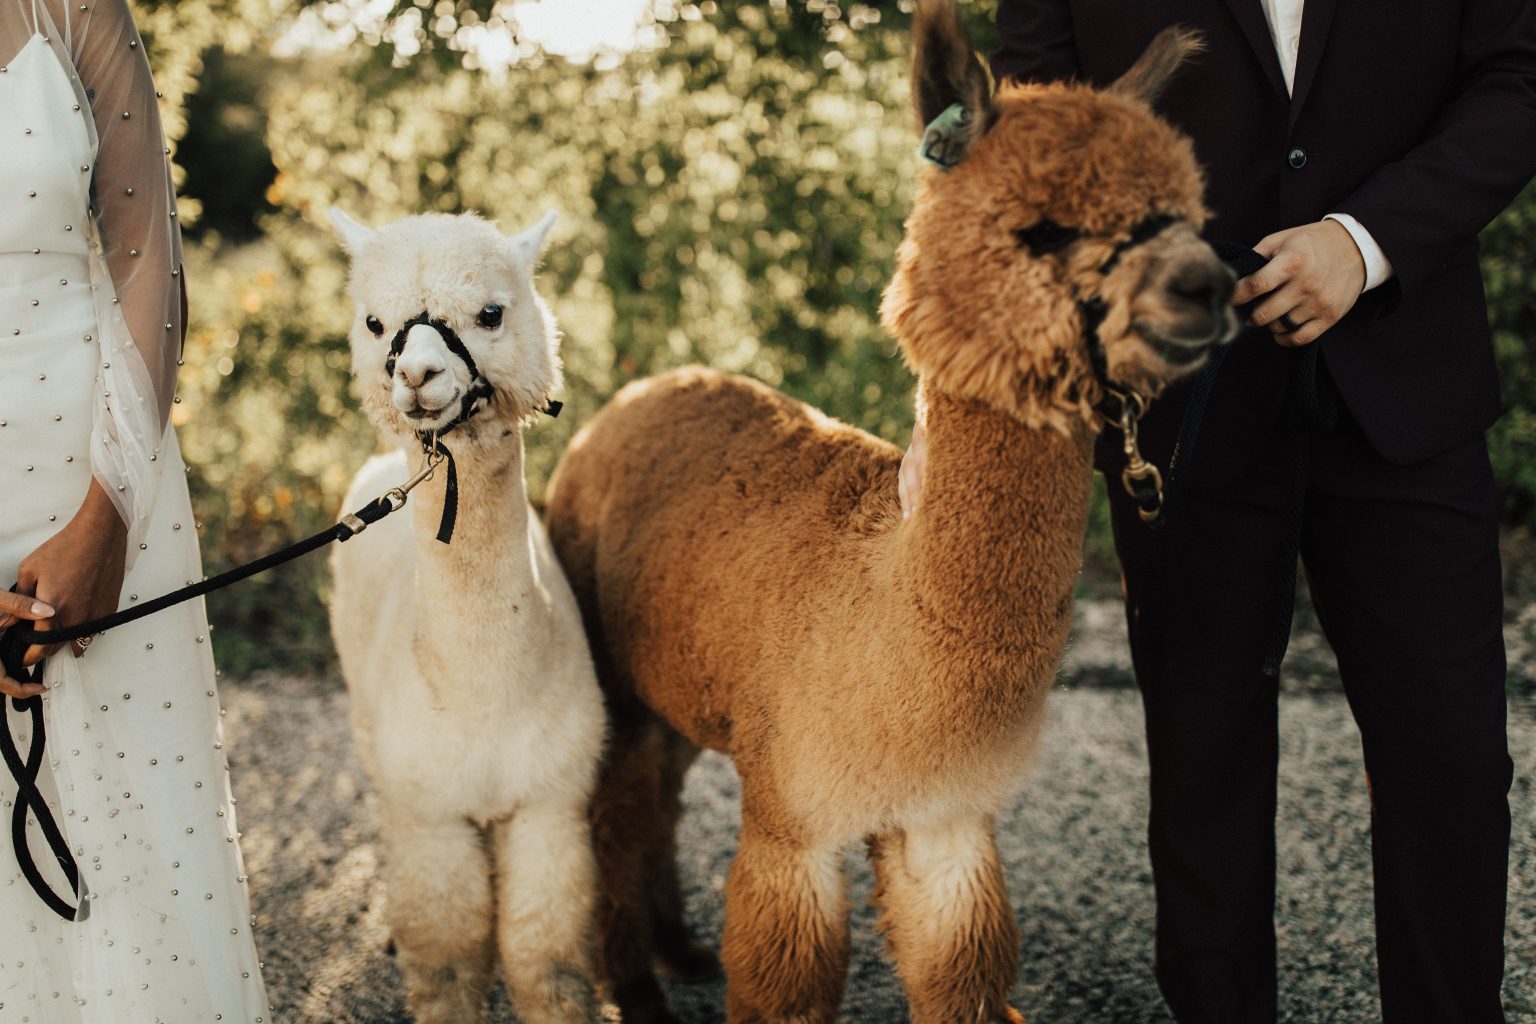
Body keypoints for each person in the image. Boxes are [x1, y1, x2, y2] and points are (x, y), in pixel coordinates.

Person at [902, 0, 1536, 1020]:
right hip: (1171, 397)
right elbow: (1013, 160)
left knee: (1452, 762)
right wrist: (959, 393)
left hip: (1408, 377)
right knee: (1202, 772)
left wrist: (1364, 242)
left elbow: (1519, 81)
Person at [0, 0, 269, 1018]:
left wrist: (106, 516)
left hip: (104, 463)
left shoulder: (70, 9)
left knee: (142, 844)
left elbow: (146, 254)